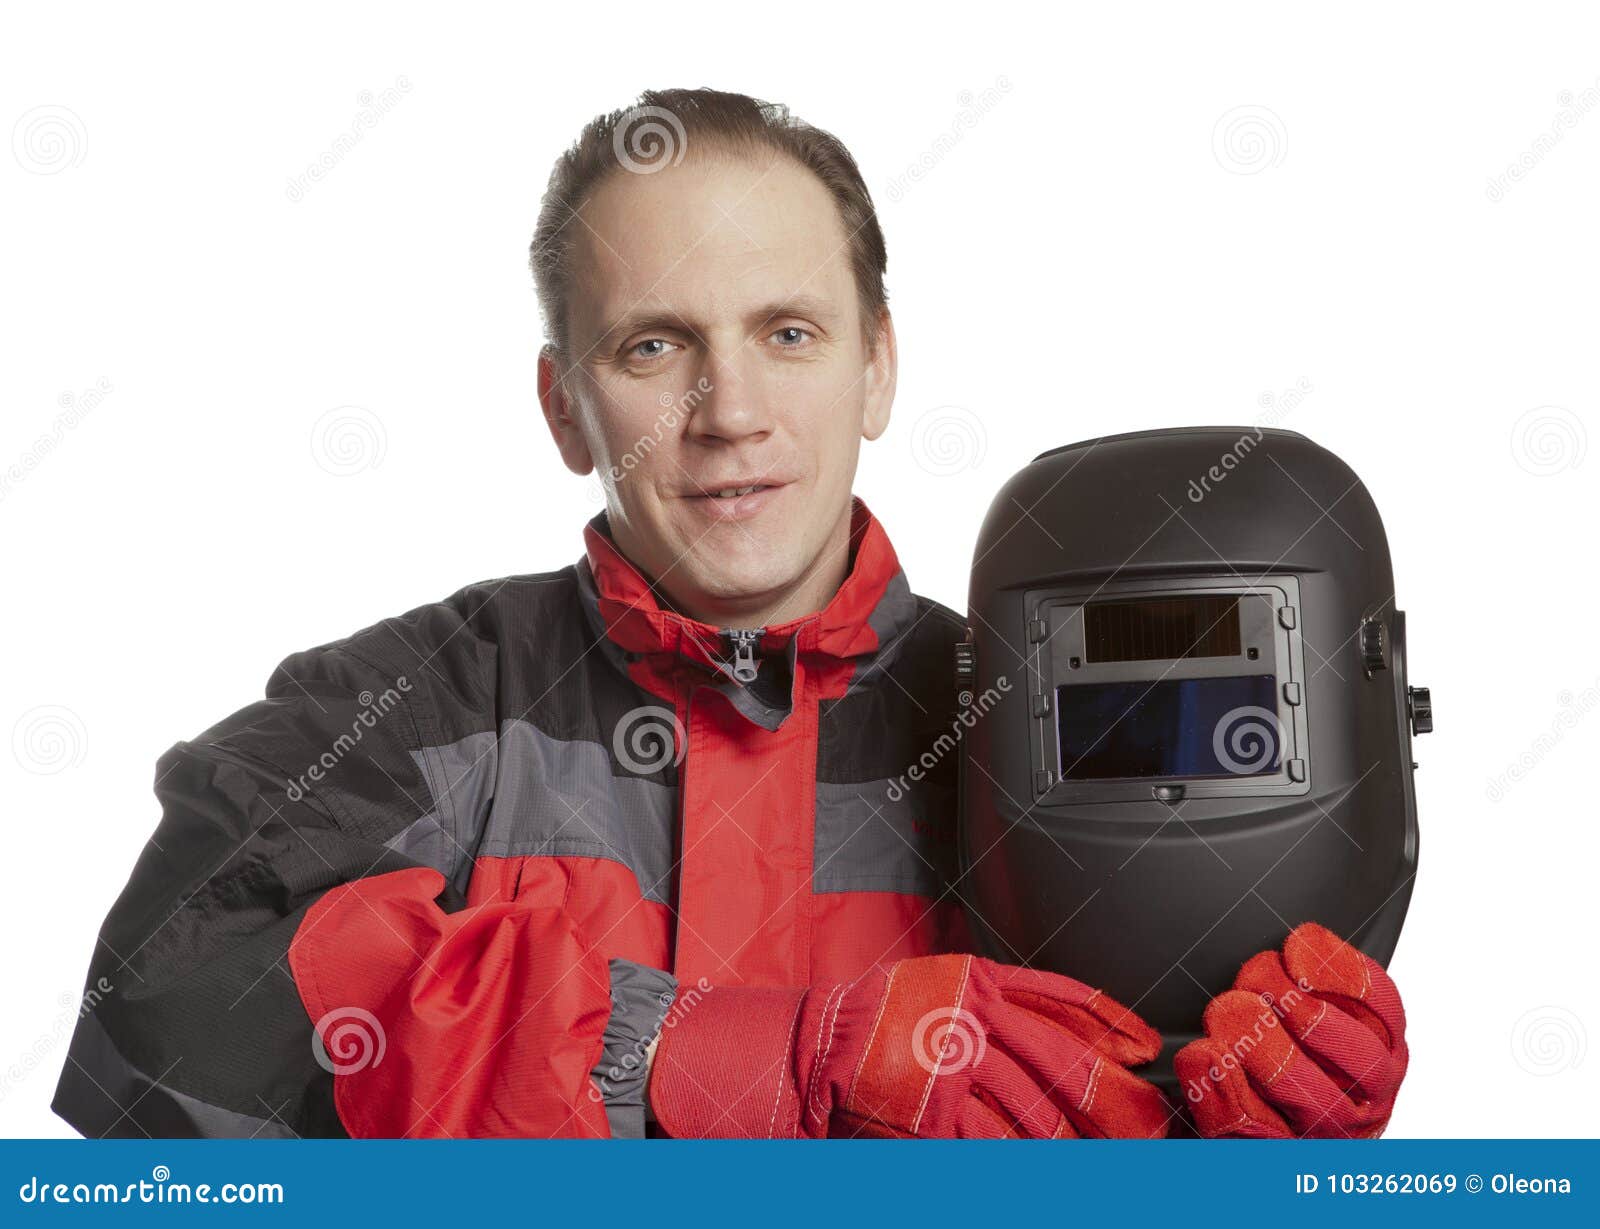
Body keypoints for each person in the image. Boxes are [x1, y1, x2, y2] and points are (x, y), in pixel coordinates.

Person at [52, 88, 1407, 1140]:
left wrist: (1263, 1140)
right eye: (656, 345)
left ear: (878, 364)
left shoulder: (1045, 730)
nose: (734, 413)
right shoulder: (407, 712)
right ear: (563, 408)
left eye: (790, 332)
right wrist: (750, 1052)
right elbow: (164, 1028)